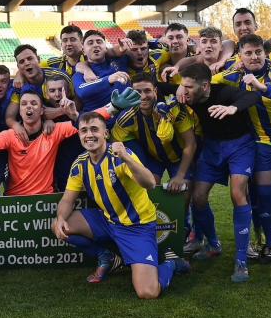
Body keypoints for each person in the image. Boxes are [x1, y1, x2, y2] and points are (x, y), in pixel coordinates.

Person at [52, 112, 190, 297]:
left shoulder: (120, 155)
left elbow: (149, 183)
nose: (89, 135)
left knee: (148, 292)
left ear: (105, 134)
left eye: (94, 129)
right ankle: (108, 257)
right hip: (107, 220)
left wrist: (126, 157)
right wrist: (61, 218)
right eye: (84, 130)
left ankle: (171, 263)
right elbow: (68, 200)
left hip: (137, 227)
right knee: (59, 226)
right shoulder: (80, 164)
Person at [212, 34, 271, 269]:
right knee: (263, 195)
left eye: (258, 52)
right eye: (248, 53)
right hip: (263, 142)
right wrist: (182, 83)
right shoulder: (235, 74)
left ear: (265, 53)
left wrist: (262, 87)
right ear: (240, 57)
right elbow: (208, 81)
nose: (254, 57)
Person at [0, 88, 141, 196]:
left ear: (42, 111)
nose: (28, 107)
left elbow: (85, 122)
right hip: (15, 200)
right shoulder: (10, 136)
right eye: (24, 104)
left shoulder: (54, 131)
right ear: (20, 110)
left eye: (33, 103)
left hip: (45, 199)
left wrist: (113, 107)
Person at [179, 62, 261, 282]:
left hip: (240, 147)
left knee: (237, 193)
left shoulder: (223, 91)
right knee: (198, 197)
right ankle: (214, 244)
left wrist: (232, 108)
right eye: (182, 86)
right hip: (212, 148)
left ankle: (241, 261)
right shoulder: (190, 97)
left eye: (188, 87)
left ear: (205, 86)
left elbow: (252, 97)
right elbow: (160, 87)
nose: (184, 91)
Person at [112, 74, 197, 191]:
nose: (143, 96)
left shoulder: (173, 110)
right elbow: (115, 143)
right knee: (149, 188)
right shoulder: (127, 118)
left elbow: (190, 143)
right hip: (153, 158)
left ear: (155, 91)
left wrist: (180, 176)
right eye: (137, 92)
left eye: (147, 91)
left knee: (184, 193)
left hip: (179, 158)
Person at [73, 30, 131, 113]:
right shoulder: (80, 74)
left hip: (128, 120)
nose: (95, 45)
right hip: (98, 122)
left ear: (106, 47)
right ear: (83, 51)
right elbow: (82, 91)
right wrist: (109, 79)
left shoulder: (120, 60)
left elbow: (143, 46)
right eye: (90, 43)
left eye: (99, 42)